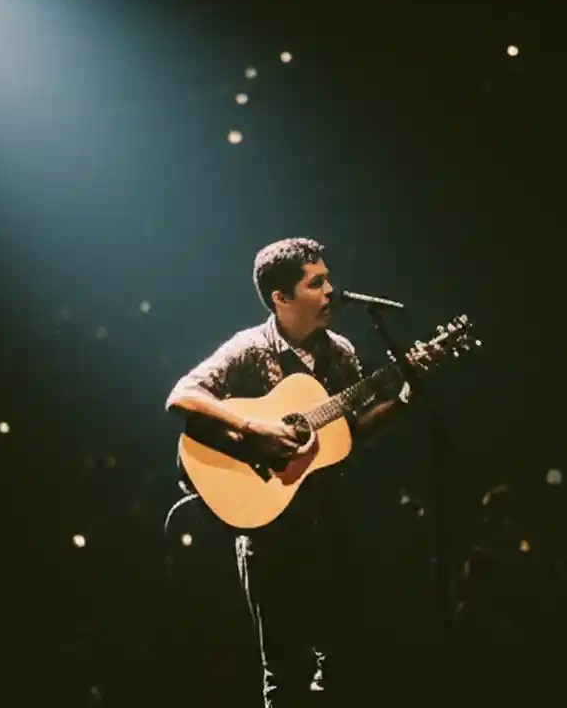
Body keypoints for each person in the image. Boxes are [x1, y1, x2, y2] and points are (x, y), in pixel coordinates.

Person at [163, 237, 413, 707]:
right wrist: (251, 425)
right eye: (315, 283)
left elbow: (348, 437)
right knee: (284, 677)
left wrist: (399, 402)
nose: (330, 292)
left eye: (328, 280)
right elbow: (182, 396)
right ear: (281, 298)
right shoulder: (247, 349)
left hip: (330, 525)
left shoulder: (340, 353)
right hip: (268, 532)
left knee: (342, 664)